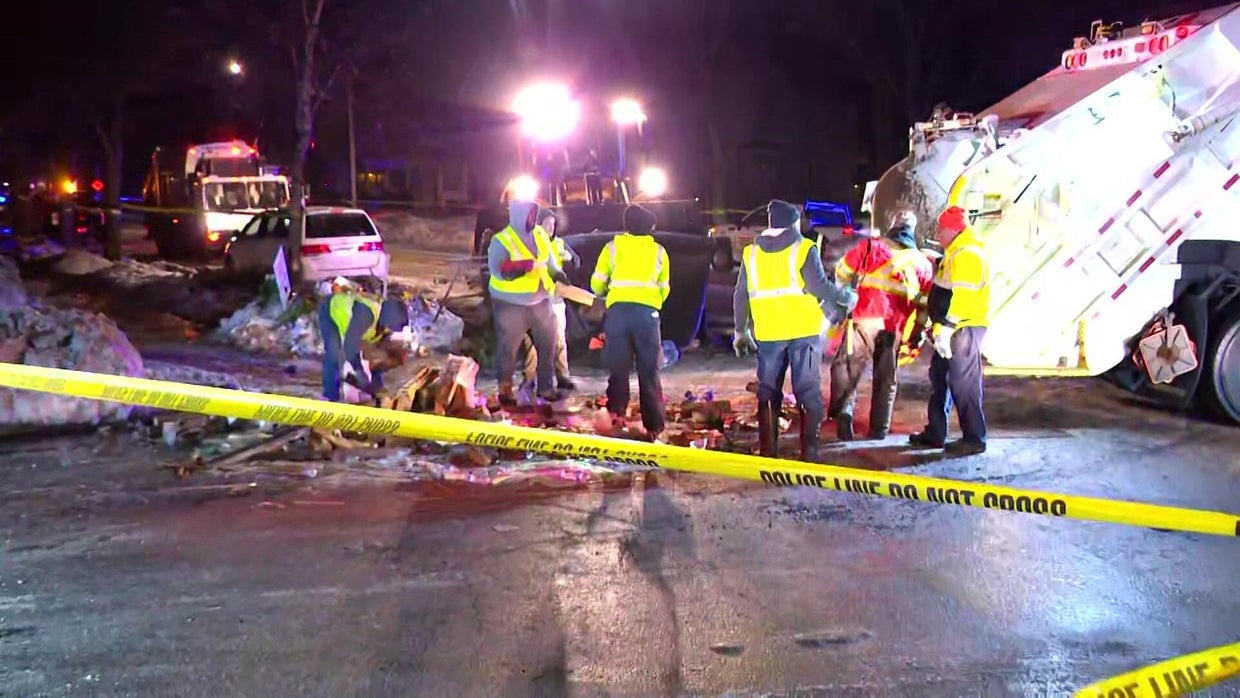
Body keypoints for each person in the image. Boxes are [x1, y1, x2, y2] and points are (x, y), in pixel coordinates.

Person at [733, 199, 858, 461]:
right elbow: (820, 288)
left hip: (768, 332)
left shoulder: (751, 253)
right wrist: (846, 297)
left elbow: (741, 295)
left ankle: (769, 451)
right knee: (807, 390)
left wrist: (740, 330)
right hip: (803, 331)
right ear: (793, 223)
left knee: (768, 391)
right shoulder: (803, 248)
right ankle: (809, 452)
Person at [828, 210, 933, 441]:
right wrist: (916, 332)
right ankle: (879, 430)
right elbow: (924, 305)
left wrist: (845, 297)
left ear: (893, 225)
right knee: (886, 378)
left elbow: (842, 271)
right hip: (892, 328)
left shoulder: (870, 247)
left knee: (847, 369)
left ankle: (844, 419)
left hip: (863, 319)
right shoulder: (923, 264)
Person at [909, 205, 991, 455]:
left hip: (962, 329)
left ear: (953, 230)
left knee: (963, 384)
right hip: (949, 328)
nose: (938, 233)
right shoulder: (956, 252)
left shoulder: (967, 254)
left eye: (940, 229)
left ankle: (974, 439)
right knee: (940, 380)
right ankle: (936, 432)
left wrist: (948, 327)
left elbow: (963, 296)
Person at [591, 204, 670, 438]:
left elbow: (597, 284)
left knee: (619, 368)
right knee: (649, 371)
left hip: (618, 315)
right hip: (647, 316)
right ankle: (654, 426)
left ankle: (616, 417)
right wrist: (651, 303)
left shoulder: (611, 248)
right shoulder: (659, 252)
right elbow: (665, 289)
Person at [488, 198, 569, 406]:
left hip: (540, 300)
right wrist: (521, 267)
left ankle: (545, 388)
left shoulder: (540, 235)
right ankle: (505, 391)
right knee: (509, 349)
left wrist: (558, 274)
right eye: (529, 214)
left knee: (548, 345)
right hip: (510, 304)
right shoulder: (501, 240)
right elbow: (497, 271)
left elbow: (549, 262)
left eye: (534, 214)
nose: (532, 219)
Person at [521, 207, 579, 390]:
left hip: (555, 300)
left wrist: (569, 259)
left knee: (560, 339)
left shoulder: (560, 243)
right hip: (536, 300)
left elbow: (577, 262)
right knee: (533, 342)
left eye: (553, 224)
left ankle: (563, 376)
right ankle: (529, 378)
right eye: (547, 224)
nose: (551, 228)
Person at [317, 290, 410, 402]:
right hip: (330, 311)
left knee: (371, 353)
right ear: (386, 319)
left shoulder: (383, 323)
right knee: (334, 353)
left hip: (354, 323)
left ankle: (375, 388)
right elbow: (349, 348)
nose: (390, 331)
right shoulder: (366, 314)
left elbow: (376, 351)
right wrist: (358, 371)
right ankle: (330, 396)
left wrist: (376, 383)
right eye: (391, 327)